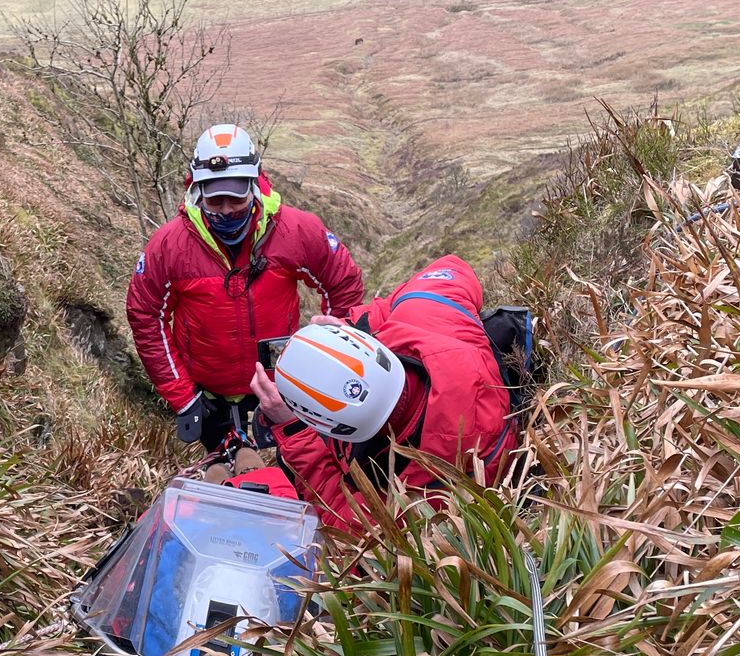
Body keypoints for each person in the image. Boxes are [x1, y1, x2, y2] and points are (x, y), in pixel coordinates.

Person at [127, 124, 364, 450]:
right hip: (206, 394)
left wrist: (327, 365)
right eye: (215, 199)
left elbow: (344, 285)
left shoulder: (296, 230)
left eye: (236, 197)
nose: (226, 209)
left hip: (282, 387)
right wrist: (182, 396)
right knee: (226, 479)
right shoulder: (168, 246)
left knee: (290, 476)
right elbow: (145, 315)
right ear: (197, 190)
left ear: (254, 184)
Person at [249, 254, 516, 531]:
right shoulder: (426, 313)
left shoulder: (422, 497)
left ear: (337, 432)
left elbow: (354, 532)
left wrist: (292, 429)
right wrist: (356, 330)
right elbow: (452, 269)